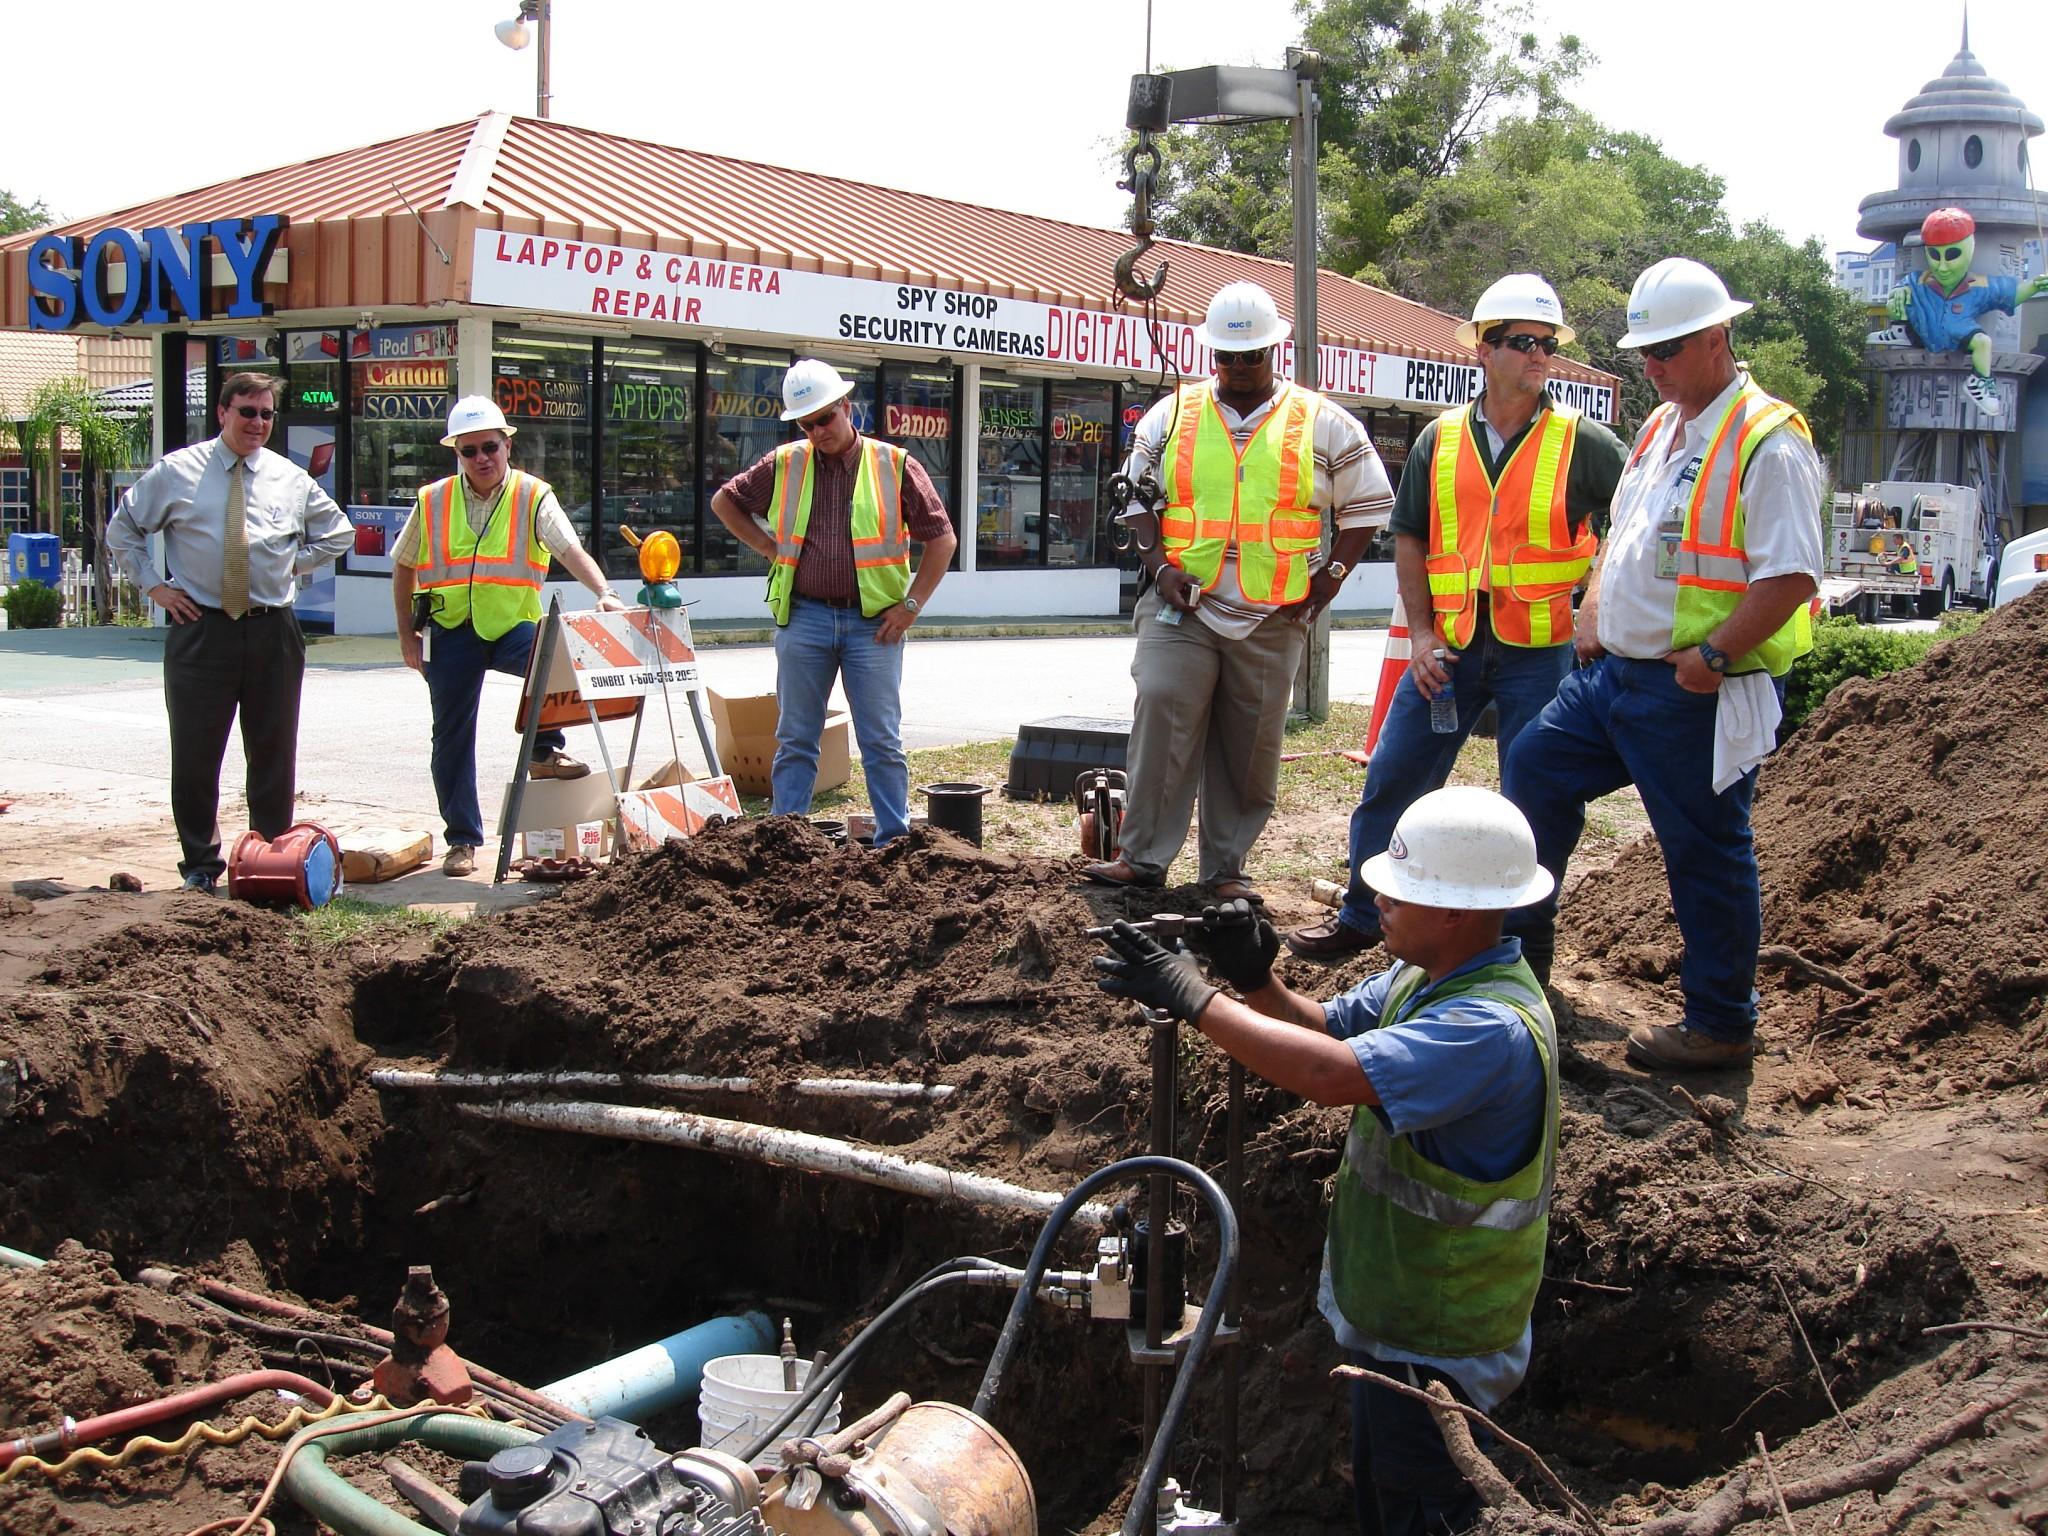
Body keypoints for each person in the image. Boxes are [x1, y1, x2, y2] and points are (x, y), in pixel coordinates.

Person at [1093, 786, 1559, 1536]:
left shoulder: (1487, 1029)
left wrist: (1193, 996)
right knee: (1385, 1497)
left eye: (1401, 892)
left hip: (1442, 1349)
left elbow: (1327, 1078)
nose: (1377, 898)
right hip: (1402, 1327)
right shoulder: (1428, 977)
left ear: (1456, 911)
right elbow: (1321, 1031)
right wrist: (1253, 980)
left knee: (1422, 1509)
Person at [1501, 257, 1824, 1070]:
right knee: (1535, 769)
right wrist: (1596, 612)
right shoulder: (1659, 427)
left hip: (1695, 689)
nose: (1652, 367)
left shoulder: (1767, 441)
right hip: (1614, 676)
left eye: (1667, 351)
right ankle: (1516, 966)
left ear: (1717, 337)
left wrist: (1714, 655)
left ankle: (1720, 1024)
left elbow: (1790, 576)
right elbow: (1629, 534)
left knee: (1703, 847)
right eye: (1645, 352)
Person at [1288, 274, 1624, 961]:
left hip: (1542, 650)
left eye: (1547, 344)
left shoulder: (1582, 442)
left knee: (1540, 798)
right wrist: (1419, 635)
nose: (1539, 355)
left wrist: (1599, 603)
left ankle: (1526, 944)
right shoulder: (1439, 441)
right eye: (1523, 343)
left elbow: (1637, 522)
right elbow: (1409, 536)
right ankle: (1361, 914)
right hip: (1451, 649)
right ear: (1484, 350)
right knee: (1395, 775)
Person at [1082, 281, 1393, 900]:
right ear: (1211, 355)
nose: (1241, 367)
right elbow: (1135, 498)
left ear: (1275, 350)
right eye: (1229, 356)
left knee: (1250, 742)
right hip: (1183, 604)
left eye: (1253, 355)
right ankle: (1142, 857)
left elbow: (1368, 506)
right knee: (1164, 705)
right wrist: (1157, 564)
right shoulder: (1172, 414)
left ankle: (1224, 869)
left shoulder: (1321, 421)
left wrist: (1327, 581)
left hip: (1272, 613)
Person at [106, 372, 355, 894]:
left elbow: (338, 533)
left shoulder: (289, 478)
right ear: (222, 413)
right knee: (196, 753)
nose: (258, 423)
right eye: (247, 412)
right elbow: (121, 531)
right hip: (202, 630)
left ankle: (267, 860)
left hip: (272, 631)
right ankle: (200, 865)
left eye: (266, 414)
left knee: (273, 749)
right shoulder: (177, 472)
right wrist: (155, 587)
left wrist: (294, 563)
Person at [709, 360, 957, 842]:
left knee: (881, 741)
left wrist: (910, 607)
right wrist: (766, 545)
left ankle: (893, 842)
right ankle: (787, 842)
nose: (818, 431)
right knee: (795, 739)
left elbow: (941, 539)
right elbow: (725, 502)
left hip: (874, 626)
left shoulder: (895, 464)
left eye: (825, 418)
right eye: (807, 424)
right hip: (806, 618)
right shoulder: (785, 463)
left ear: (848, 408)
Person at [391, 396, 626, 877]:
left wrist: (604, 591)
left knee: (557, 662)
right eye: (469, 450)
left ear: (507, 445)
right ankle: (462, 841)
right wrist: (407, 637)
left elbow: (568, 547)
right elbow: (404, 566)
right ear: (456, 452)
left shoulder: (533, 495)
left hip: (512, 627)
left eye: (490, 447)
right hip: (448, 631)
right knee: (451, 737)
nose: (481, 458)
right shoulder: (432, 499)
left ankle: (544, 750)